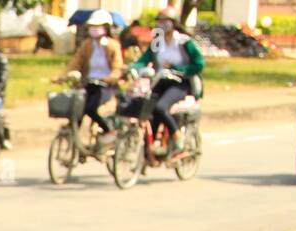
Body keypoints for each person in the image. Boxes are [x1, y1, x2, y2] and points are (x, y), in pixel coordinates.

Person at [128, 6, 204, 154]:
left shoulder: (183, 42)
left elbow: (199, 64)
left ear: (173, 22)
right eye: (159, 21)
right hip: (159, 81)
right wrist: (134, 67)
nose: (161, 24)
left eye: (165, 21)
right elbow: (144, 60)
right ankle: (151, 147)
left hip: (180, 83)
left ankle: (176, 135)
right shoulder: (157, 41)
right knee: (145, 108)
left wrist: (179, 69)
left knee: (160, 107)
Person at [55, 9, 125, 145]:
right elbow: (75, 63)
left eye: (97, 26)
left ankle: (109, 130)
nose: (94, 29)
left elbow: (118, 67)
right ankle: (75, 142)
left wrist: (111, 77)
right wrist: (61, 77)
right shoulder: (87, 45)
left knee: (90, 108)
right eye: (92, 26)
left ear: (106, 28)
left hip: (106, 86)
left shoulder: (112, 45)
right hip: (89, 83)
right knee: (77, 108)